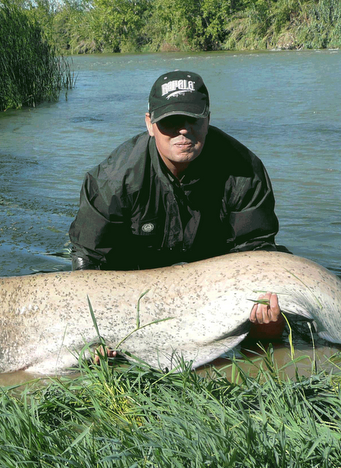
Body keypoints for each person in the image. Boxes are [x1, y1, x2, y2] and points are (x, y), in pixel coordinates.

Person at [68, 71, 286, 338]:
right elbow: (88, 260)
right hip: (134, 285)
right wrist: (95, 328)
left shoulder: (245, 171)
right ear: (150, 124)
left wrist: (264, 310)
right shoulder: (112, 180)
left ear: (207, 120)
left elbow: (256, 249)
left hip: (215, 286)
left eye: (193, 119)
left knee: (271, 328)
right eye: (171, 121)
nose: (183, 130)